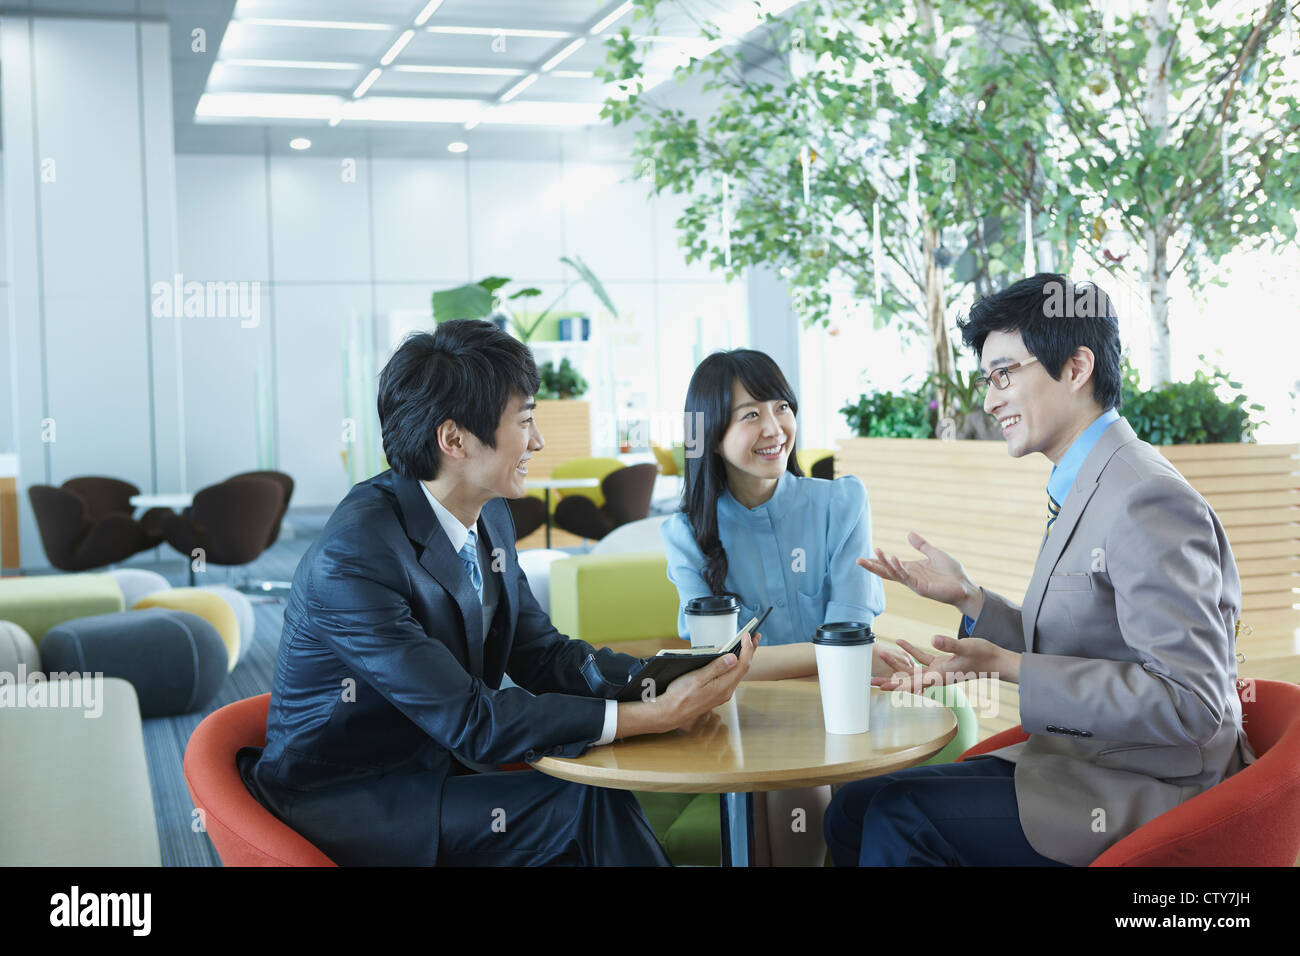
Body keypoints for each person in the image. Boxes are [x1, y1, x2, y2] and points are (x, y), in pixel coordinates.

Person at [237, 319, 757, 866]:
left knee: (599, 798)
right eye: (525, 420)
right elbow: (472, 721)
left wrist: (659, 681)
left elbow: (541, 653)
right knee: (583, 809)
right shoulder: (355, 557)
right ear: (454, 439)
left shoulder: (490, 515)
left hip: (439, 769)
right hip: (355, 802)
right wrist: (646, 718)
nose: (538, 441)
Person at [825, 273, 1255, 867]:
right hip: (1085, 762)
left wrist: (1009, 666)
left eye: (1004, 374)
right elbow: (1090, 644)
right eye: (987, 379)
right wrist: (972, 600)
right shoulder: (1087, 478)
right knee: (851, 807)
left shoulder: (1144, 498)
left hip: (1148, 784)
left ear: (1076, 368)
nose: (991, 397)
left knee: (902, 818)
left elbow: (1193, 704)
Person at [659, 348, 888, 865]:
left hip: (839, 714)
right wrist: (822, 655)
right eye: (750, 415)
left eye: (781, 407)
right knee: (774, 771)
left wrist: (758, 664)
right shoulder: (686, 536)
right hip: (744, 725)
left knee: (788, 778)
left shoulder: (842, 504)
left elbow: (849, 638)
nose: (775, 427)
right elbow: (716, 667)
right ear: (711, 435)